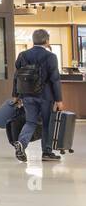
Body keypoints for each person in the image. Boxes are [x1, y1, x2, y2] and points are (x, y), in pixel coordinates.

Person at [11, 28, 65, 163]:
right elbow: (55, 79)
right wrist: (59, 99)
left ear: (33, 40)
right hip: (46, 96)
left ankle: (21, 144)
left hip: (27, 95)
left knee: (30, 122)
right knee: (47, 123)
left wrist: (15, 95)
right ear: (47, 41)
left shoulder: (23, 55)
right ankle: (46, 152)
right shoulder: (50, 56)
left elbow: (16, 76)